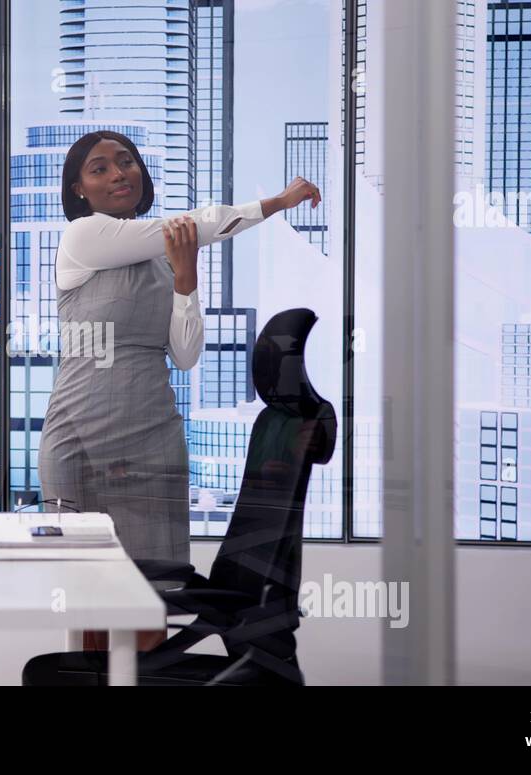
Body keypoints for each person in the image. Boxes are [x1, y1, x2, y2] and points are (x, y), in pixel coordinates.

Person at [38, 129, 321, 651]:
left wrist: (185, 277)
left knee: (151, 594)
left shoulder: (161, 259)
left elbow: (185, 356)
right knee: (92, 599)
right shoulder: (82, 237)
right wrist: (278, 202)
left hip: (151, 440)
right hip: (82, 436)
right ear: (79, 189)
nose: (118, 173)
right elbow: (194, 224)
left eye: (126, 162)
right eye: (99, 168)